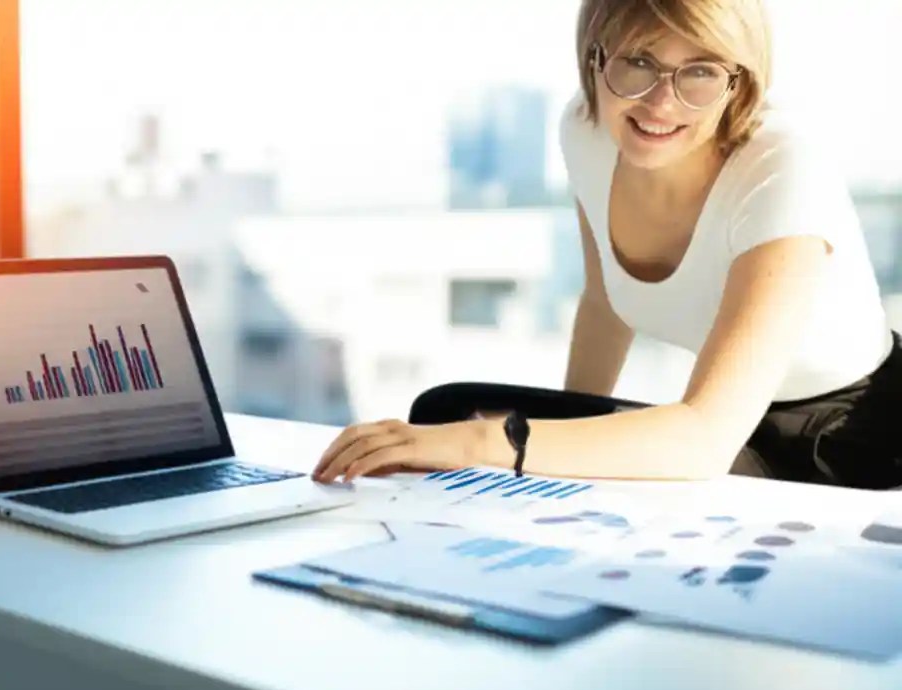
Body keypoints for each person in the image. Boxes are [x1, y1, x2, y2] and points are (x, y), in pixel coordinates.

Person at [313, 0, 902, 489]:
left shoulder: (782, 168)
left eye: (700, 70)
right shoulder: (587, 132)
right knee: (445, 411)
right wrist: (549, 450)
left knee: (469, 435)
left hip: (843, 440)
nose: (661, 102)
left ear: (739, 81)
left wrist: (496, 444)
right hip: (719, 427)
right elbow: (604, 305)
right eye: (638, 62)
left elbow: (703, 439)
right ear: (594, 58)